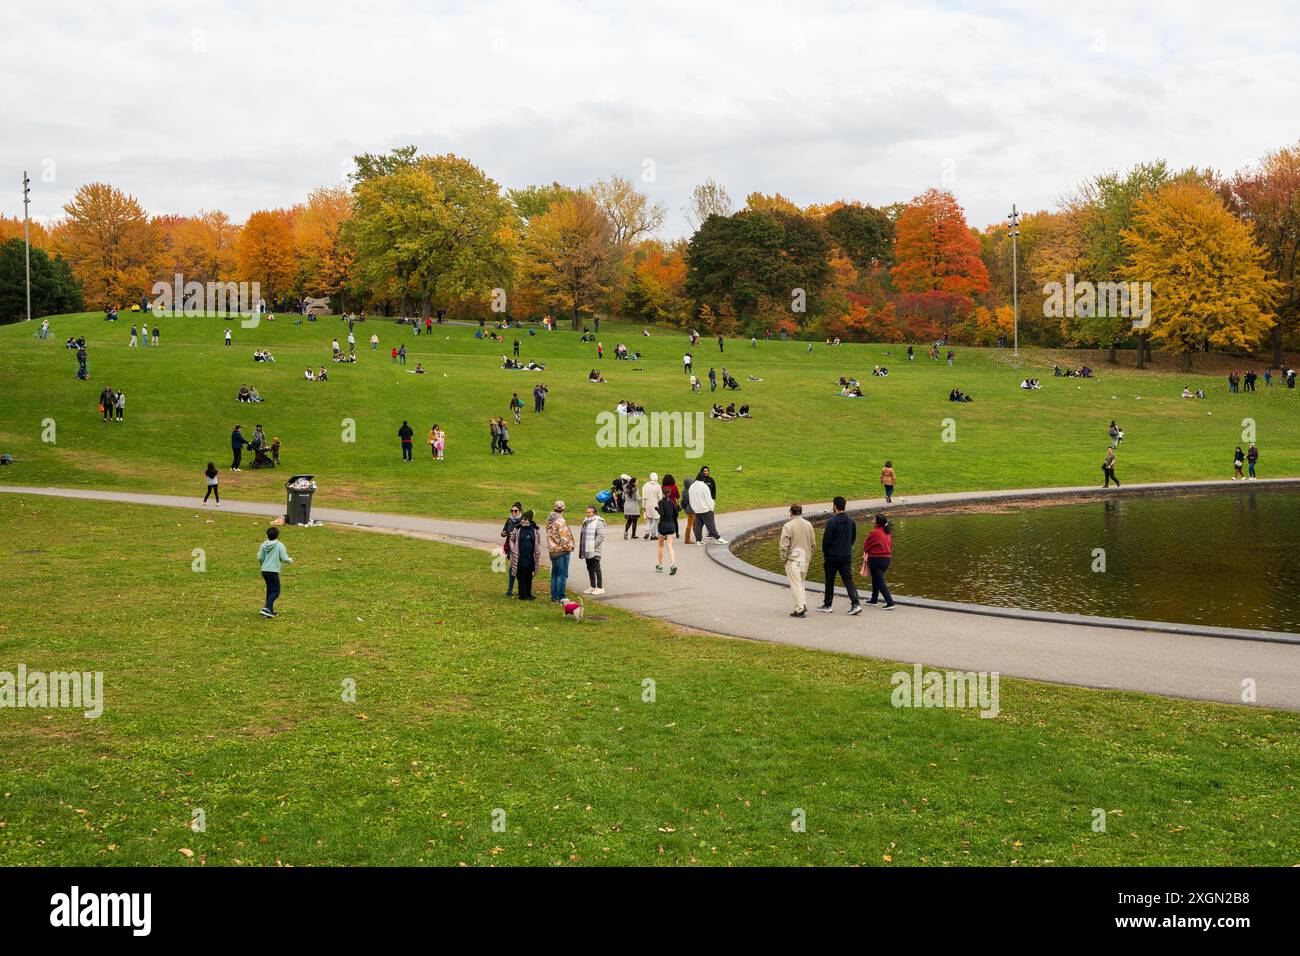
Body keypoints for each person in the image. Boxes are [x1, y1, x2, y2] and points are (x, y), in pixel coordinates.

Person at [818, 496, 862, 614]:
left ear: (835, 506)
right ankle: (855, 603)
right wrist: (847, 548)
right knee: (848, 580)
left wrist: (826, 553)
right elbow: (853, 537)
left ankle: (828, 604)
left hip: (832, 556)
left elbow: (826, 541)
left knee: (830, 580)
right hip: (846, 555)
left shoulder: (832, 522)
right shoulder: (851, 521)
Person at [779, 504, 815, 618]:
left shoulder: (788, 526)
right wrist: (809, 554)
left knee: (795, 584)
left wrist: (783, 558)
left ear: (791, 512)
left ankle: (799, 609)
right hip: (804, 557)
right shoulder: (808, 524)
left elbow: (784, 544)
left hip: (793, 558)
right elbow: (813, 543)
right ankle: (802, 604)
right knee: (800, 582)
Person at [861, 514, 895, 609]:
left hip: (876, 559)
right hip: (886, 559)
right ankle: (874, 599)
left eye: (874, 519)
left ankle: (890, 602)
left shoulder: (874, 532)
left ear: (877, 522)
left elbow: (865, 546)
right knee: (876, 578)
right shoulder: (887, 532)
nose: (872, 521)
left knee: (880, 581)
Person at [258, 526, 293, 618]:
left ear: (267, 535)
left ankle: (270, 611)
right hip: (273, 571)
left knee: (270, 590)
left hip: (264, 570)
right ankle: (266, 608)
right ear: (278, 535)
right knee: (276, 591)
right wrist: (290, 560)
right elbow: (284, 558)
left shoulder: (263, 545)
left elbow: (260, 557)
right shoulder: (279, 545)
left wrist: (263, 564)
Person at [508, 510, 543, 600]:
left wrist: (538, 549)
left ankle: (528, 593)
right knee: (522, 576)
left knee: (529, 576)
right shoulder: (518, 528)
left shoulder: (535, 529)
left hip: (531, 557)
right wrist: (513, 550)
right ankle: (522, 595)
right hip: (520, 557)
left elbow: (538, 541)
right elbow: (511, 539)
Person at [687, 466, 726, 544]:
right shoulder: (704, 487)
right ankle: (718, 538)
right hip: (705, 509)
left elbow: (690, 499)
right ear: (703, 479)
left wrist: (694, 508)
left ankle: (699, 540)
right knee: (710, 524)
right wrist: (711, 508)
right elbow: (708, 499)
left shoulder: (691, 486)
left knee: (698, 525)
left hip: (696, 510)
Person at [546, 501, 575, 602]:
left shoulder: (550, 520)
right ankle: (561, 596)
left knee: (554, 574)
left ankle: (554, 597)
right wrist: (569, 548)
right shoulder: (560, 521)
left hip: (552, 550)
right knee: (562, 575)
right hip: (561, 551)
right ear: (563, 509)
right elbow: (565, 538)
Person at [580, 505, 607, 594]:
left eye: (589, 513)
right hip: (587, 549)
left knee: (596, 567)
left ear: (594, 513)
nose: (587, 514)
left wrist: (592, 546)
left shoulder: (598, 522)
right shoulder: (586, 521)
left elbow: (601, 536)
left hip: (594, 549)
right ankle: (592, 586)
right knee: (589, 568)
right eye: (586, 512)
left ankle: (600, 587)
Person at [655, 487, 680, 574]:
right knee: (670, 546)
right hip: (671, 525)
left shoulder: (660, 502)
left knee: (661, 546)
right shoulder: (672, 502)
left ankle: (660, 566)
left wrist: (657, 509)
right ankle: (673, 564)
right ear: (669, 493)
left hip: (663, 525)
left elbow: (661, 513)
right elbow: (676, 513)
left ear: (662, 493)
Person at [501, 503, 524, 596]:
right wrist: (504, 533)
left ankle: (521, 591)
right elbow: (504, 531)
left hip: (520, 548)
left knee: (519, 570)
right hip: (511, 548)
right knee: (511, 569)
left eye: (515, 511)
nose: (513, 512)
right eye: (512, 511)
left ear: (520, 511)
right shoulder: (509, 520)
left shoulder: (523, 521)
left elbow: (524, 535)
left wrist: (515, 536)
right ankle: (510, 591)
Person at [641, 472, 663, 540]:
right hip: (655, 505)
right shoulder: (658, 486)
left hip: (647, 504)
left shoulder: (645, 485)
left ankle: (647, 531)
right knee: (655, 519)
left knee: (648, 519)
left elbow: (643, 497)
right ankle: (653, 534)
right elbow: (660, 498)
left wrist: (643, 506)